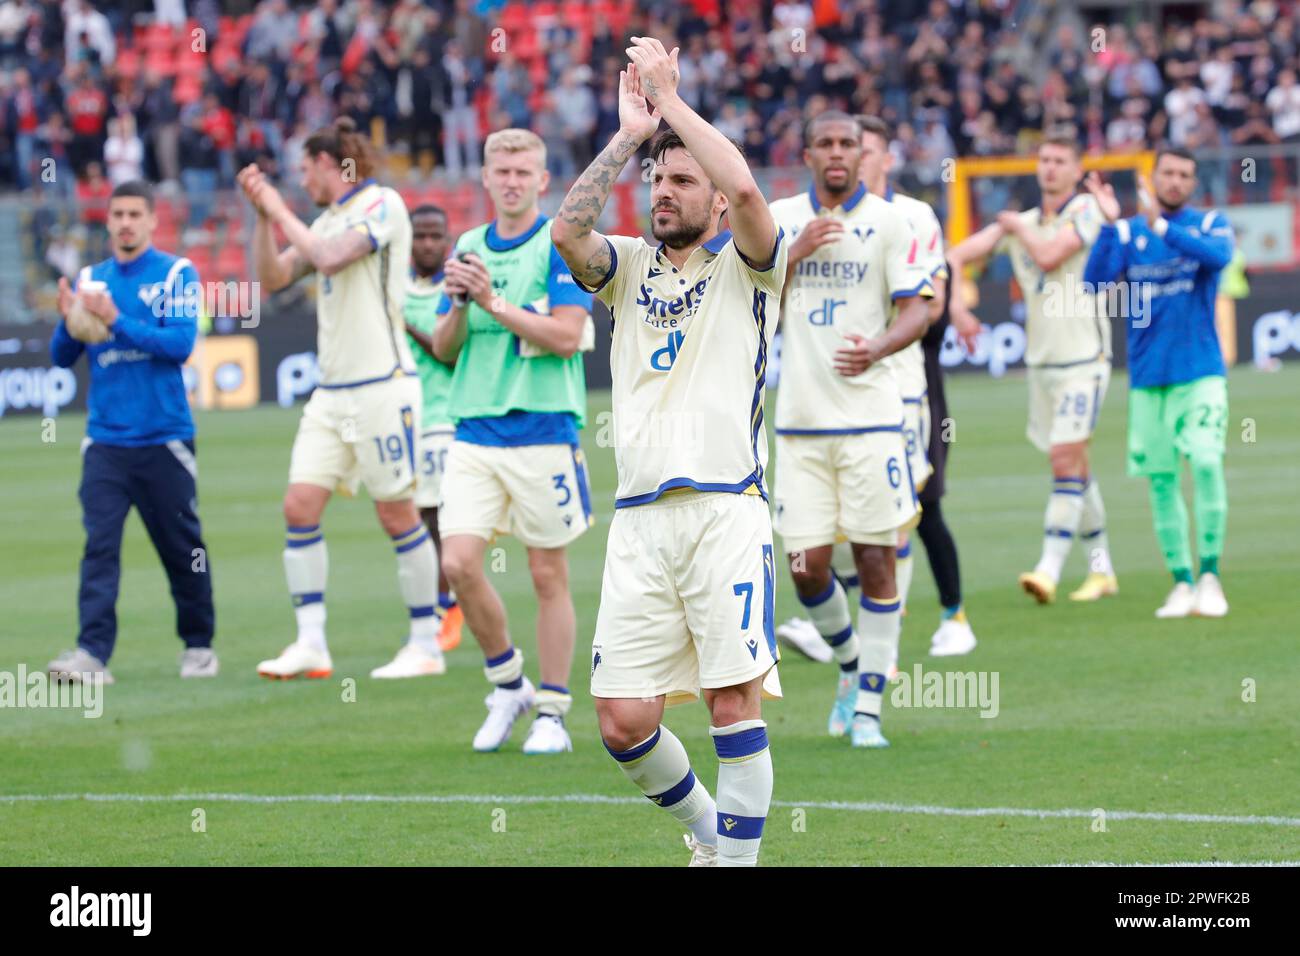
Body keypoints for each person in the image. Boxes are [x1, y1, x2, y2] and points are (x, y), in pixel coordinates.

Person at [553, 39, 785, 866]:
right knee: (622, 719)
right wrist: (630, 136)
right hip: (639, 523)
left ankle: (740, 861)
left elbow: (751, 187)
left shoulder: (752, 268)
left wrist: (674, 102)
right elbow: (566, 231)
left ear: (715, 203)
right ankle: (706, 833)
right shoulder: (628, 268)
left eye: (683, 180)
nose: (664, 190)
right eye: (659, 179)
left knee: (732, 702)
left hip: (724, 509)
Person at [238, 117, 446, 680]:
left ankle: (425, 642)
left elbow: (330, 258)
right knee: (299, 507)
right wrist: (264, 219)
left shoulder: (382, 204)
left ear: (329, 164)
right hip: (331, 393)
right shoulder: (324, 220)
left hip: (383, 385)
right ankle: (311, 643)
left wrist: (279, 209)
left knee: (396, 512)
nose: (302, 181)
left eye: (306, 169)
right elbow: (274, 278)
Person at [769, 110, 932, 750]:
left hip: (870, 421)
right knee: (806, 568)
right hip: (800, 424)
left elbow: (918, 307)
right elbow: (748, 297)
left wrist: (879, 346)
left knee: (876, 560)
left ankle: (868, 709)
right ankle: (848, 662)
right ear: (806, 153)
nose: (838, 153)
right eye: (825, 144)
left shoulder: (894, 223)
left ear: (865, 153)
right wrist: (791, 255)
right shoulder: (781, 219)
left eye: (848, 144)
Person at [431, 128, 594, 755]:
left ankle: (552, 708)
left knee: (547, 573)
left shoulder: (560, 243)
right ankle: (508, 683)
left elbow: (564, 334)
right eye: (501, 171)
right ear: (485, 176)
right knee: (457, 564)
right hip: (473, 427)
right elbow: (446, 352)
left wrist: (491, 299)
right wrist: (455, 307)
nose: (511, 181)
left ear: (543, 180)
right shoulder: (469, 244)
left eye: (523, 172)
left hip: (543, 427)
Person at [46, 179, 216, 683]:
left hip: (164, 438)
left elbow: (180, 344)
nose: (124, 222)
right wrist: (66, 321)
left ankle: (199, 645)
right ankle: (92, 655)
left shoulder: (176, 274)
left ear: (151, 220)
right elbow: (61, 358)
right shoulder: (91, 279)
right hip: (106, 442)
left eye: (134, 214)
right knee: (99, 546)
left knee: (183, 550)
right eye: (117, 213)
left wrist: (115, 319)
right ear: (108, 220)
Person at [947, 132, 1117, 605]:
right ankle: (1102, 569)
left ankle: (1048, 569)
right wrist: (959, 308)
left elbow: (1047, 254)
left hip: (1085, 360)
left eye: (1060, 161)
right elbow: (955, 256)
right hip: (1042, 363)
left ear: (1076, 169)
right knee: (1074, 465)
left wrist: (1014, 229)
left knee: (1064, 459)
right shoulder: (1019, 221)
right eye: (1044, 160)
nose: (1050, 168)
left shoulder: (1085, 211)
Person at [1082, 149, 1233, 618]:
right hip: (1149, 380)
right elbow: (1092, 286)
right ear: (1153, 177)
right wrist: (1109, 225)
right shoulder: (1127, 233)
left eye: (1184, 175)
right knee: (1162, 482)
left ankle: (1210, 576)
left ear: (1192, 182)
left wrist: (1163, 226)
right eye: (1167, 173)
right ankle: (1182, 582)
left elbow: (1218, 258)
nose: (1175, 181)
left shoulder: (1209, 225)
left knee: (1206, 461)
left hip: (1201, 373)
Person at [858, 115, 977, 658]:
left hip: (912, 378)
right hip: (855, 383)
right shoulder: (828, 220)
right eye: (845, 147)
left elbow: (932, 305)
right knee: (864, 514)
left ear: (888, 158)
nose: (855, 157)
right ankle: (863, 622)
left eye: (866, 148)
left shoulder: (914, 216)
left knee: (923, 505)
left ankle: (952, 615)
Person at [370, 203, 464, 677]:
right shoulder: (396, 290)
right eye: (420, 236)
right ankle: (438, 607)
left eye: (435, 236)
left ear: (446, 241)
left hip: (443, 418)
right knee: (410, 516)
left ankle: (444, 609)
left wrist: (403, 326)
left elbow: (450, 357)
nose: (427, 244)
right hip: (402, 419)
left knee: (436, 519)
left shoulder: (453, 292)